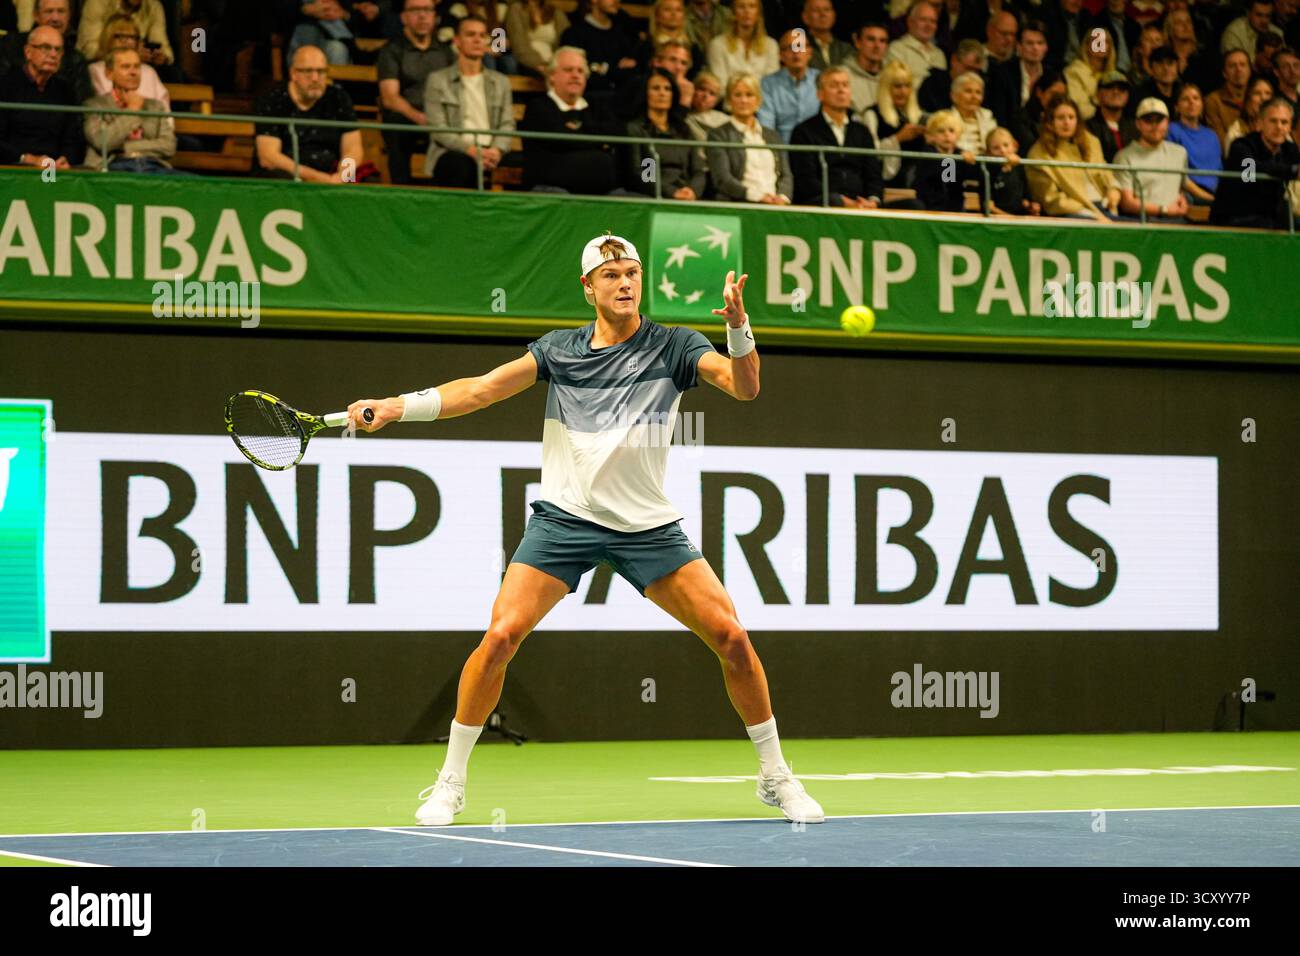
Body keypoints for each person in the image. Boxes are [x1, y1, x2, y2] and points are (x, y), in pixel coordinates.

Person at [344, 236, 825, 828]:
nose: (625, 284)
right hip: (565, 519)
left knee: (731, 637)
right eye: (611, 275)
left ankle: (776, 777)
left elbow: (745, 387)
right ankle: (450, 782)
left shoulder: (675, 346)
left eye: (633, 273)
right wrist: (398, 405)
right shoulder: (557, 350)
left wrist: (740, 328)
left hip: (647, 527)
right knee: (499, 637)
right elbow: (482, 388)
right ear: (588, 288)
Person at [423, 16, 514, 186]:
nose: (478, 40)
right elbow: (438, 129)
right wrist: (472, 151)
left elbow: (507, 124)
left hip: (491, 151)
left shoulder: (501, 82)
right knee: (461, 166)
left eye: (482, 35)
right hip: (455, 151)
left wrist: (496, 150)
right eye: (471, 34)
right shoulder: (438, 80)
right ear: (457, 41)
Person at [520, 45, 623, 192]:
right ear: (552, 76)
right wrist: (599, 142)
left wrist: (578, 133)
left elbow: (617, 132)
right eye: (568, 70)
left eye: (580, 71)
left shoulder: (596, 106)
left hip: (600, 190)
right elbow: (559, 141)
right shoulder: (538, 107)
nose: (575, 75)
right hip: (551, 188)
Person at [254, 44, 364, 182]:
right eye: (308, 71)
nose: (315, 78)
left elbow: (353, 149)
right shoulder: (272, 100)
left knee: (365, 181)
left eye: (321, 71)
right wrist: (317, 178)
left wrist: (343, 177)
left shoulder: (338, 97)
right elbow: (268, 158)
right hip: (290, 175)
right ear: (293, 73)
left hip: (333, 176)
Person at [379, 0, 453, 185]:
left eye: (427, 10)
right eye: (416, 10)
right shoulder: (392, 51)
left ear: (435, 17)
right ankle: (400, 191)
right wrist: (419, 117)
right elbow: (389, 98)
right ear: (404, 17)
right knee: (396, 126)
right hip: (407, 116)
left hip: (440, 118)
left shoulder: (445, 52)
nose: (422, 16)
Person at [790, 64, 884, 206]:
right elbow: (806, 180)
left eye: (845, 85)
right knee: (834, 200)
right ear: (820, 94)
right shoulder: (804, 132)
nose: (841, 90)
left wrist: (873, 200)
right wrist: (842, 200)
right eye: (834, 86)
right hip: (823, 201)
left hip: (861, 202)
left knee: (913, 205)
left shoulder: (862, 131)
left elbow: (874, 176)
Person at [83, 46, 182, 173]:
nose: (133, 72)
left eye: (137, 66)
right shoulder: (94, 106)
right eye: (126, 67)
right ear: (109, 74)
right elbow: (102, 142)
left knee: (197, 186)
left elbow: (169, 146)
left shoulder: (155, 106)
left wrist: (126, 148)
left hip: (153, 166)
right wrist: (133, 110)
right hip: (112, 167)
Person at [1113, 97, 1213, 219]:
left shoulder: (1179, 152)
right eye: (1148, 121)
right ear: (1138, 124)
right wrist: (1164, 210)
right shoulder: (1124, 157)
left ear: (1167, 122)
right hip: (1143, 223)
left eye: (1159, 120)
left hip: (1178, 221)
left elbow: (1181, 184)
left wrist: (1184, 198)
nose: (1154, 126)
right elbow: (1127, 203)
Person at [1026, 93, 1121, 220]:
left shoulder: (1091, 141)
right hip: (1074, 213)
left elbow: (1105, 173)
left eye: (1071, 117)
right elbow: (1051, 200)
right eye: (1061, 118)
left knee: (1147, 225)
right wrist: (1087, 212)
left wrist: (1114, 189)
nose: (1067, 123)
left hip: (1104, 206)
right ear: (1049, 122)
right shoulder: (1038, 155)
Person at [0, 23, 84, 167]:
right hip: (13, 167)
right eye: (46, 48)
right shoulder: (5, 86)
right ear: (28, 52)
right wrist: (27, 158)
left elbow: (73, 137)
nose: (53, 54)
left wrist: (66, 158)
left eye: (58, 50)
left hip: (53, 169)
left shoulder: (65, 90)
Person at [1211, 96, 1300, 227]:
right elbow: (1251, 173)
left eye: (1284, 122)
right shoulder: (1241, 146)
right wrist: (1291, 171)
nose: (1279, 127)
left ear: (1290, 126)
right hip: (1235, 216)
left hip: (1270, 215)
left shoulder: (1290, 149)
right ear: (1260, 123)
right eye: (1273, 121)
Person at [706, 71, 793, 203]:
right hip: (739, 205)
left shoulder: (773, 135)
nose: (744, 100)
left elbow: (786, 175)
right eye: (737, 95)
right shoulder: (718, 135)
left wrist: (782, 197)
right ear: (729, 100)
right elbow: (722, 179)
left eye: (749, 95)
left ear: (758, 100)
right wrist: (759, 197)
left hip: (775, 205)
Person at [625, 67, 706, 198]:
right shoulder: (638, 130)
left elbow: (698, 171)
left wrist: (692, 191)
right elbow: (646, 175)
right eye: (656, 88)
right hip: (654, 195)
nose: (662, 93)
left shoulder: (683, 129)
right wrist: (672, 193)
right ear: (645, 93)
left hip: (686, 195)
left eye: (667, 89)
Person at [1, 0, 91, 101]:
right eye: (49, 11)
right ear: (36, 15)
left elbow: (81, 105)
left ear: (69, 16)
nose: (55, 18)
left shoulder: (76, 60)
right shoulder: (9, 45)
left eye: (61, 11)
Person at [861, 58, 927, 184]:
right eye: (897, 86)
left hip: (919, 180)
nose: (903, 91)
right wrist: (897, 139)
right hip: (886, 182)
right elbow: (869, 154)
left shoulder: (919, 116)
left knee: (948, 168)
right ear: (886, 88)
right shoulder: (872, 114)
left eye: (907, 85)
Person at [560, 0, 641, 102]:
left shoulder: (623, 32)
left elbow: (635, 70)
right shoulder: (574, 34)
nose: (617, 1)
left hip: (622, 99)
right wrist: (615, 70)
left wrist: (603, 69)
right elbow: (583, 74)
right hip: (587, 99)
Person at [87, 11, 166, 107]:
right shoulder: (95, 70)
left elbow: (164, 111)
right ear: (108, 38)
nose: (127, 42)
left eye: (132, 37)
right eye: (120, 37)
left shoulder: (149, 72)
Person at [77, 0, 174, 74]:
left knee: (172, 74)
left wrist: (161, 57)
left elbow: (164, 48)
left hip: (139, 68)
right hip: (101, 65)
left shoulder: (153, 6)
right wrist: (131, 54)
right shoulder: (97, 3)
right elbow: (89, 50)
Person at [757, 28, 819, 142]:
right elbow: (766, 127)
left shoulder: (821, 80)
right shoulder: (767, 84)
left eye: (800, 46)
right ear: (781, 55)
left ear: (809, 52)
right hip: (782, 147)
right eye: (790, 47)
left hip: (816, 148)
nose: (796, 52)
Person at [986, 18, 1048, 128]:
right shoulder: (1003, 73)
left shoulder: (1052, 76)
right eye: (1029, 43)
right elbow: (1001, 116)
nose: (1035, 48)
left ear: (1045, 47)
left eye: (1040, 43)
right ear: (1019, 46)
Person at [912, 108, 978, 210]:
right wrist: (960, 161)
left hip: (955, 207)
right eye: (941, 131)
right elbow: (946, 175)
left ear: (958, 135)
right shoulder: (927, 153)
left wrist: (970, 162)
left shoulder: (960, 153)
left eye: (951, 131)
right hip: (930, 205)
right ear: (931, 136)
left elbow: (974, 175)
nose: (947, 135)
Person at [1166, 82, 1222, 198]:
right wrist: (1210, 199)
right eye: (1185, 99)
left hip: (1216, 193)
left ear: (1202, 104)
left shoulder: (1211, 135)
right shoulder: (1172, 130)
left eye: (1196, 98)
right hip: (1189, 193)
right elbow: (1178, 176)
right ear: (1177, 107)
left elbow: (1219, 171)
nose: (1191, 102)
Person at [707, 0, 778, 89]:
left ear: (758, 12)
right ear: (733, 12)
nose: (747, 11)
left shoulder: (771, 45)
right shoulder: (717, 45)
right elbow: (720, 85)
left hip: (764, 101)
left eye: (752, 6)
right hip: (730, 100)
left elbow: (771, 84)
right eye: (741, 7)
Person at [885, 0, 946, 84]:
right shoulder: (897, 49)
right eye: (923, 20)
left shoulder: (939, 54)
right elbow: (896, 85)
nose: (928, 25)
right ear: (910, 22)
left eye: (933, 21)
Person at [505, 0, 571, 77]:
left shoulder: (555, 12)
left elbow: (567, 39)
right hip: (527, 63)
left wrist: (558, 63)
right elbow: (519, 44)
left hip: (554, 63)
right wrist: (540, 66)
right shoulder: (516, 9)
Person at [1064, 22, 1115, 121]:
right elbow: (1078, 108)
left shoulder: (1114, 75)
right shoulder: (1074, 72)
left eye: (1105, 41)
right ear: (1087, 46)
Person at [918, 36, 984, 112]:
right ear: (954, 60)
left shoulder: (981, 86)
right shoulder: (932, 84)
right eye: (968, 68)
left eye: (977, 71)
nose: (972, 74)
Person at [985, 125, 1040, 215]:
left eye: (1006, 145)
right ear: (988, 153)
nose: (1002, 150)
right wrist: (1010, 218)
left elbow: (1026, 198)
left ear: (1015, 146)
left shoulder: (1020, 168)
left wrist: (1032, 207)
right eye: (996, 148)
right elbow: (989, 207)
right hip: (998, 222)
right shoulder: (988, 172)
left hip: (1020, 219)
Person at [1085, 69, 1137, 161]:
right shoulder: (1087, 127)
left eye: (1122, 88)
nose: (1116, 92)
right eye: (1109, 87)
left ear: (1128, 95)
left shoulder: (1135, 127)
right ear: (1098, 94)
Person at [1204, 47, 1251, 148]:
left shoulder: (1257, 97)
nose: (1239, 69)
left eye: (1243, 65)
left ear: (1249, 70)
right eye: (1232, 66)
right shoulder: (1213, 101)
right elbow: (1220, 141)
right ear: (1224, 73)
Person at [1008, 67, 1066, 149]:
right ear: (1039, 92)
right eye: (1054, 94)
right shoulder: (1021, 119)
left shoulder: (1066, 118)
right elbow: (1030, 146)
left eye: (1062, 95)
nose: (1059, 99)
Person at [1223, 75, 1275, 155]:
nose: (1263, 98)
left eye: (1268, 93)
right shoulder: (1236, 131)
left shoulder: (1280, 127)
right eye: (1257, 93)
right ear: (1248, 97)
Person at [844, 21, 888, 115]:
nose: (877, 46)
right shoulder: (842, 75)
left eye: (882, 41)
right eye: (871, 39)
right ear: (857, 42)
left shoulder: (892, 76)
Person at [1088, 0, 1140, 74]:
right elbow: (1097, 56)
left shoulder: (1134, 26)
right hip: (1107, 73)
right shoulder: (1096, 23)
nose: (1115, 2)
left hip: (1132, 74)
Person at [799, 0, 851, 71]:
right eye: (816, 10)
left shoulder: (846, 49)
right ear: (805, 17)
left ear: (834, 15)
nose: (823, 14)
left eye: (827, 10)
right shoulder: (799, 48)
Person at [1132, 45, 1182, 117]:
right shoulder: (1139, 95)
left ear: (1177, 67)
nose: (1166, 68)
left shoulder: (1182, 93)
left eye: (1170, 63)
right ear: (1151, 69)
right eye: (1160, 64)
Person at [685, 66, 727, 137]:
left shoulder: (725, 120)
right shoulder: (683, 118)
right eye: (702, 89)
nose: (705, 95)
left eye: (712, 93)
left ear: (716, 100)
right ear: (693, 89)